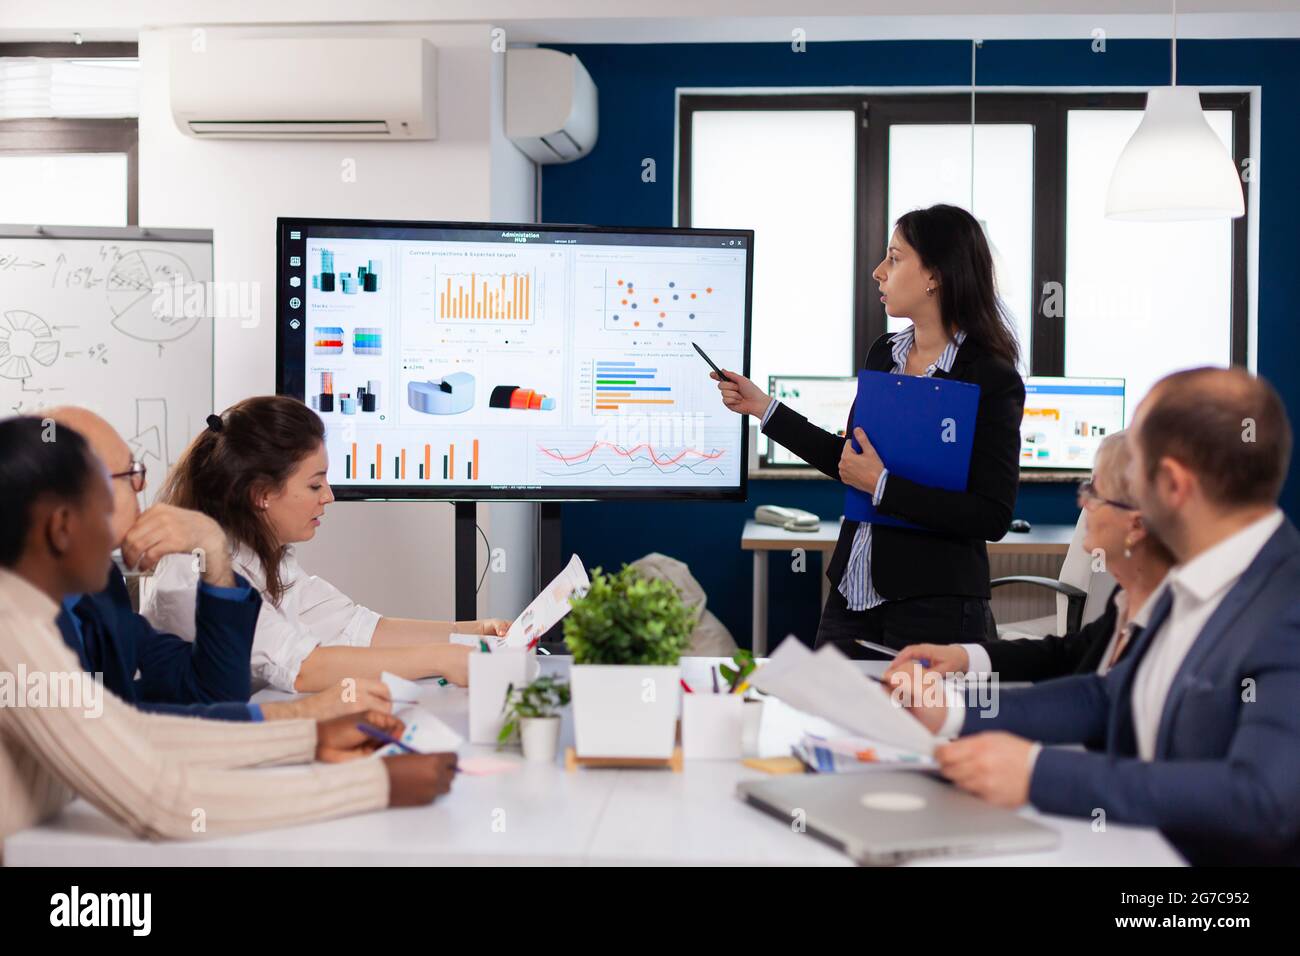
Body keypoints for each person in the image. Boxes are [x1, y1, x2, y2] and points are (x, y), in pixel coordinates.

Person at [892, 367, 1300, 865]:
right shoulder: (1193, 579)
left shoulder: (1285, 606)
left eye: (1139, 472)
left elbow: (1261, 800)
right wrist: (957, 712)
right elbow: (1106, 694)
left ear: (1171, 484)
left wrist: (1038, 773)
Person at [0, 415, 457, 847]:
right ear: (62, 526)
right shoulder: (11, 631)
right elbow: (162, 801)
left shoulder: (49, 609)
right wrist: (375, 784)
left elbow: (128, 729)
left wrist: (310, 738)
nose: (141, 509)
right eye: (120, 486)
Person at [714, 204, 1025, 654]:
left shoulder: (990, 377)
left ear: (934, 275)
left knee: (918, 726)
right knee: (827, 720)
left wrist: (882, 487)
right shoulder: (885, 354)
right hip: (852, 593)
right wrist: (763, 408)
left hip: (934, 606)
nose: (879, 272)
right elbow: (849, 461)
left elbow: (992, 516)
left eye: (895, 258)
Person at [40, 407, 391, 722]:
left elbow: (213, 692)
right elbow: (101, 726)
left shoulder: (101, 588)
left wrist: (214, 553)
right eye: (130, 475)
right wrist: (299, 718)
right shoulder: (19, 613)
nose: (142, 487)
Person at [142, 397, 509, 693]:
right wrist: (443, 659)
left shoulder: (263, 554)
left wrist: (474, 631)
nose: (329, 497)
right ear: (262, 494)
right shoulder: (195, 573)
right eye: (315, 485)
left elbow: (358, 628)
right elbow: (304, 669)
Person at [885, 430, 1175, 682]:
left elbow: (1094, 700)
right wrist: (962, 657)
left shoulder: (1171, 625)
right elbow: (1066, 655)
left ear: (1136, 525)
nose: (1084, 504)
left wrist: (961, 712)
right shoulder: (1125, 602)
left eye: (1095, 493)